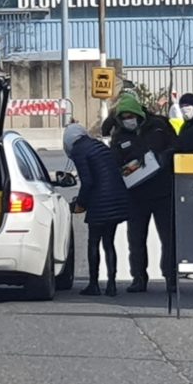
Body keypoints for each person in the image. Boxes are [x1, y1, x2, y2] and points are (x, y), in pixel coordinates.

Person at [108, 93, 177, 293]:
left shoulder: (159, 126)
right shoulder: (119, 135)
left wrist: (164, 157)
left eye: (131, 115)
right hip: (136, 195)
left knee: (168, 237)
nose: (128, 120)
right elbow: (115, 162)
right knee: (136, 239)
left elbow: (177, 146)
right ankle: (138, 278)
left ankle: (171, 277)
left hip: (163, 191)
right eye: (124, 117)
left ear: (139, 114)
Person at [64, 123, 130, 297]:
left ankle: (94, 284)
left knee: (93, 242)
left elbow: (87, 182)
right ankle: (112, 285)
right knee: (109, 242)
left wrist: (80, 203)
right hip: (116, 197)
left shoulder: (79, 151)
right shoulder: (98, 145)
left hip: (100, 201)